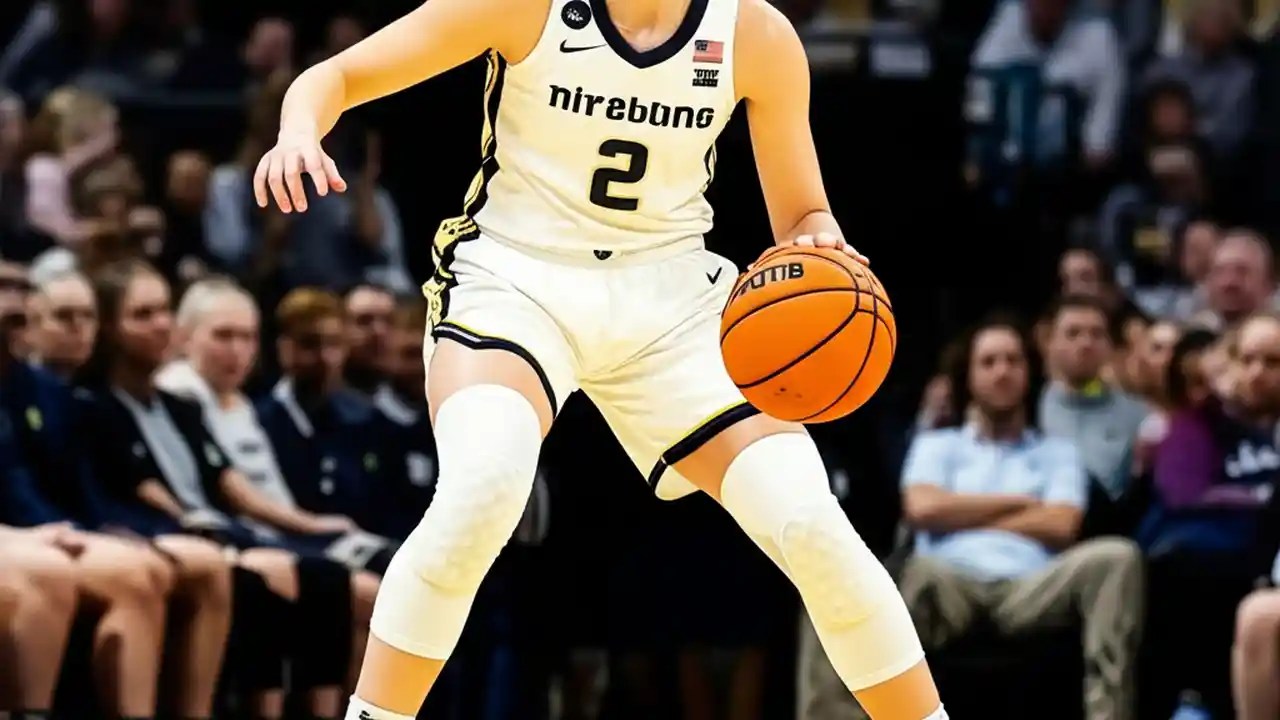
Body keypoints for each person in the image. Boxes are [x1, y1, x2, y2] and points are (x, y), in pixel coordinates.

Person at [254, 0, 944, 719]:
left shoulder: (754, 32)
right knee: (482, 491)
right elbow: (336, 76)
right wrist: (298, 131)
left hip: (671, 297)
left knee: (810, 521)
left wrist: (820, 243)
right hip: (516, 278)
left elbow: (802, 214)